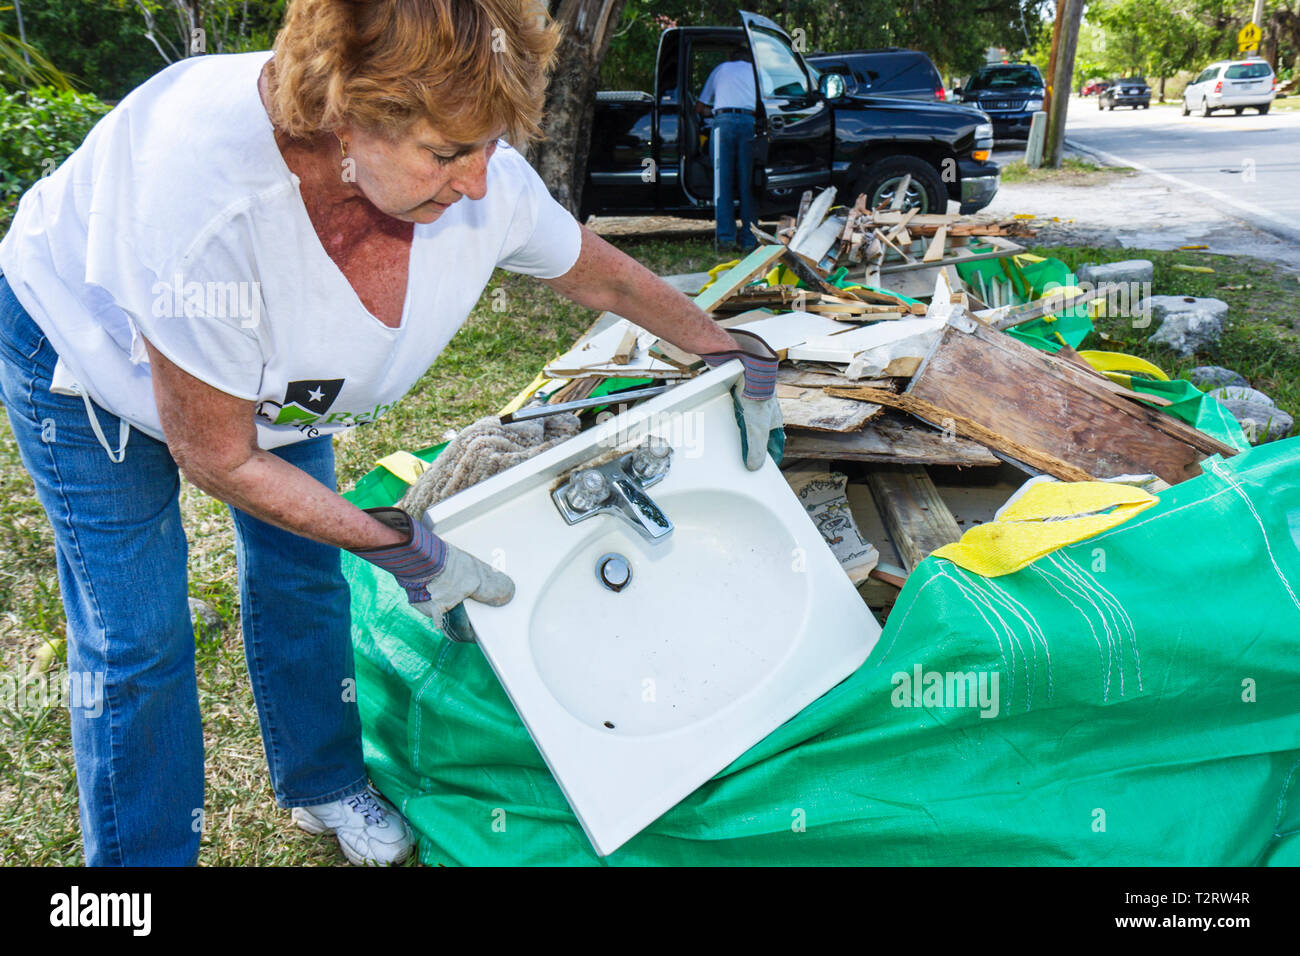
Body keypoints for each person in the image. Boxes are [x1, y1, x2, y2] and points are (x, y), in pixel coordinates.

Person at [0, 0, 782, 866]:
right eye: (449, 154)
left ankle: (322, 780)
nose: (482, 182)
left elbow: (609, 281)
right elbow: (216, 455)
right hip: (87, 358)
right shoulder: (210, 208)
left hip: (275, 371)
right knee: (138, 635)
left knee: (305, 574)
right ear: (343, 116)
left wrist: (728, 349)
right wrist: (404, 548)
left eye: (489, 146)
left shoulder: (475, 175)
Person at [697, 47, 759, 254]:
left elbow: (700, 107)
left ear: (731, 58)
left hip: (722, 123)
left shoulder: (721, 69)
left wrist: (713, 110)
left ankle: (726, 240)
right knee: (746, 183)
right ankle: (750, 240)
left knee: (722, 183)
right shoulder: (756, 71)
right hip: (749, 122)